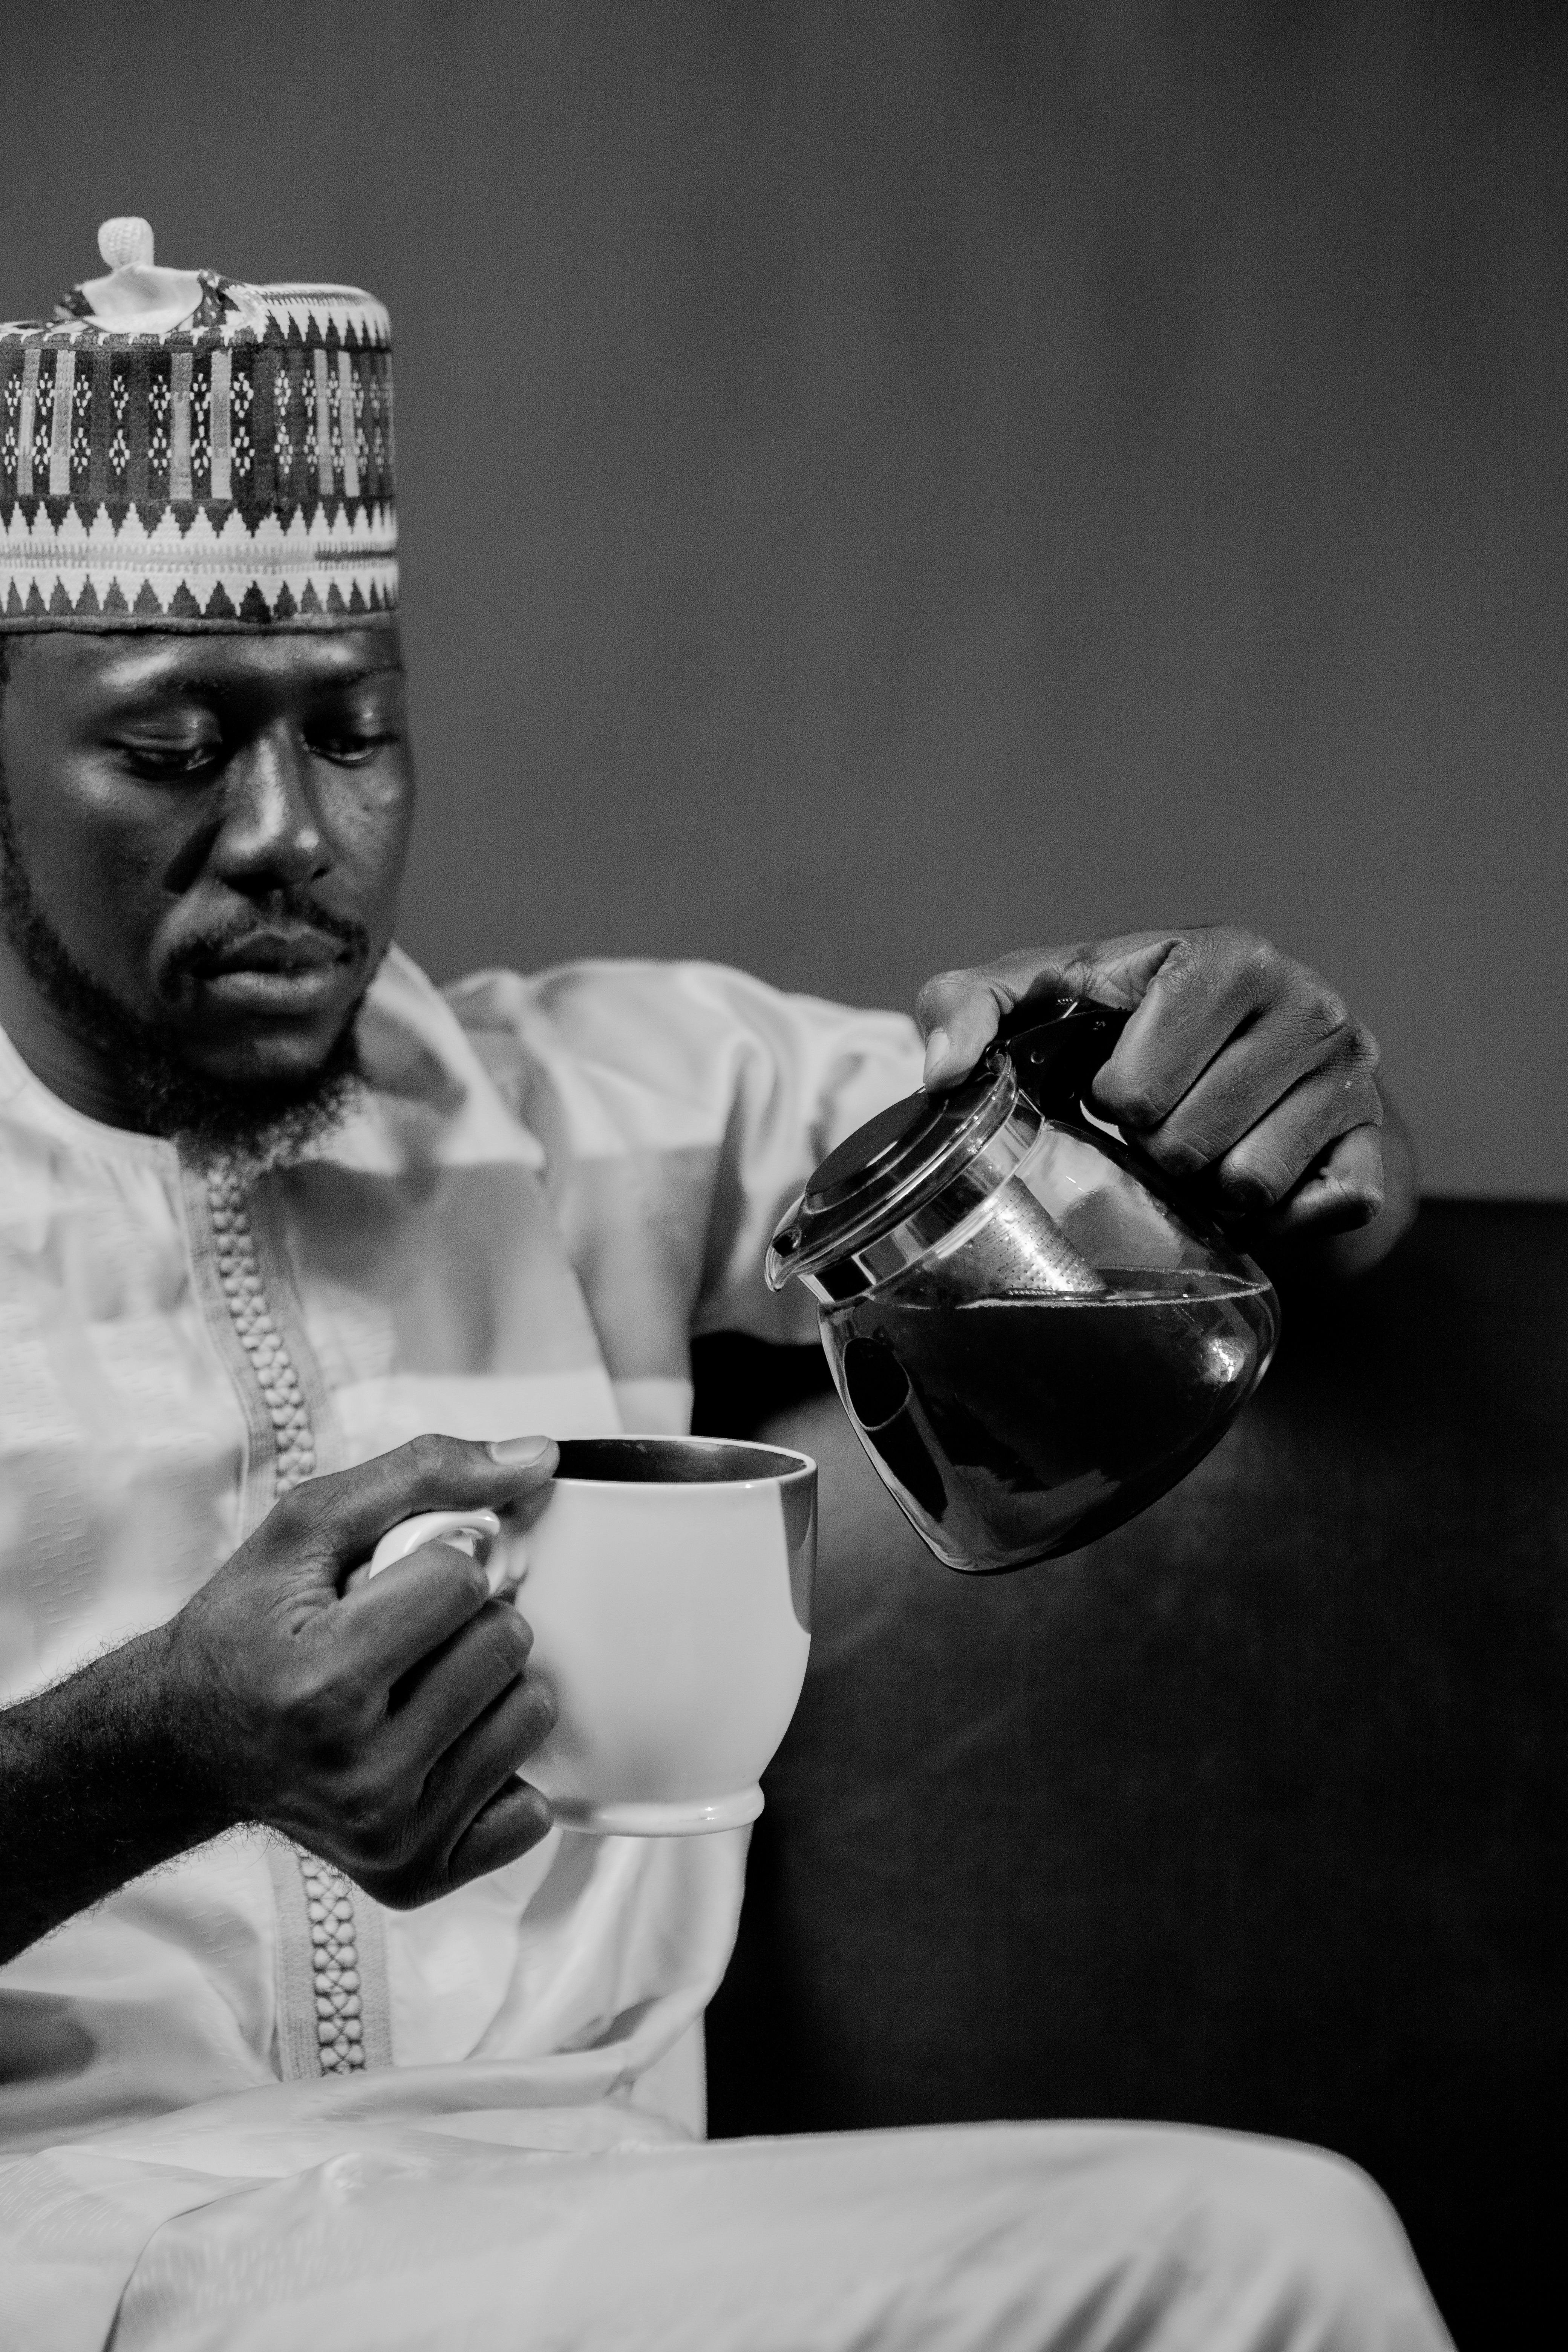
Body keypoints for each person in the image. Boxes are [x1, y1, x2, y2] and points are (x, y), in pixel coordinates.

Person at [0, 222, 1444, 2351]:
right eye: (180, 746)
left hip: (611, 2241)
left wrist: (1289, 1094)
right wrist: (159, 1751)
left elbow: (1116, 1146)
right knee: (1261, 2258)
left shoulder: (594, 1101)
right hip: (77, 2258)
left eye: (357, 729)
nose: (297, 830)